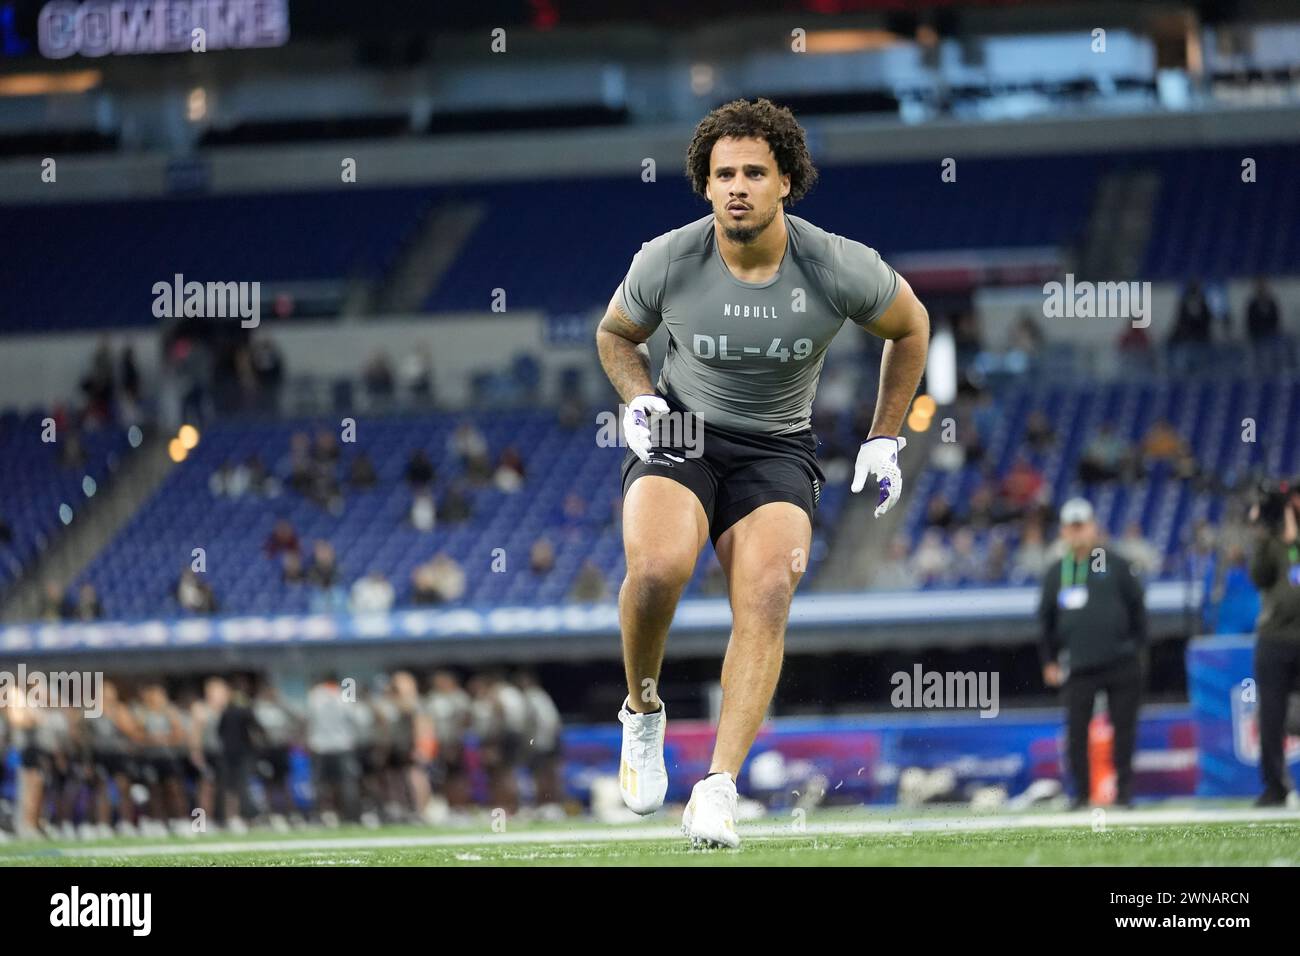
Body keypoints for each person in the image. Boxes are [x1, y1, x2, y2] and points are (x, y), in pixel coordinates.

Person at [595, 98, 928, 847]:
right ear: (705, 186)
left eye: (753, 172)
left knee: (770, 591)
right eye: (723, 175)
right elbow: (615, 334)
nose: (737, 186)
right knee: (655, 572)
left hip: (777, 445)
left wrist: (885, 438)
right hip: (680, 429)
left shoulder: (836, 263)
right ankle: (642, 713)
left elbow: (911, 327)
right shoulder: (668, 258)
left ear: (786, 182)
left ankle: (717, 787)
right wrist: (640, 395)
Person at [1038, 498, 1147, 809]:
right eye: (1070, 528)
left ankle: (1124, 793)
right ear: (1062, 531)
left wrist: (1139, 652)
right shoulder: (1057, 571)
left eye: (1081, 526)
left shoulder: (1115, 564)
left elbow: (1138, 610)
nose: (1076, 533)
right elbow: (1045, 620)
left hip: (1121, 661)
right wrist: (1048, 660)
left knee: (1124, 729)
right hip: (1077, 664)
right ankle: (1082, 795)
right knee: (1075, 732)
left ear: (1093, 527)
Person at [1246, 480, 1300, 806]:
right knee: (1271, 714)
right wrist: (1265, 532)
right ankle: (1274, 786)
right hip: (1276, 639)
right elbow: (1258, 576)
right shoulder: (1272, 541)